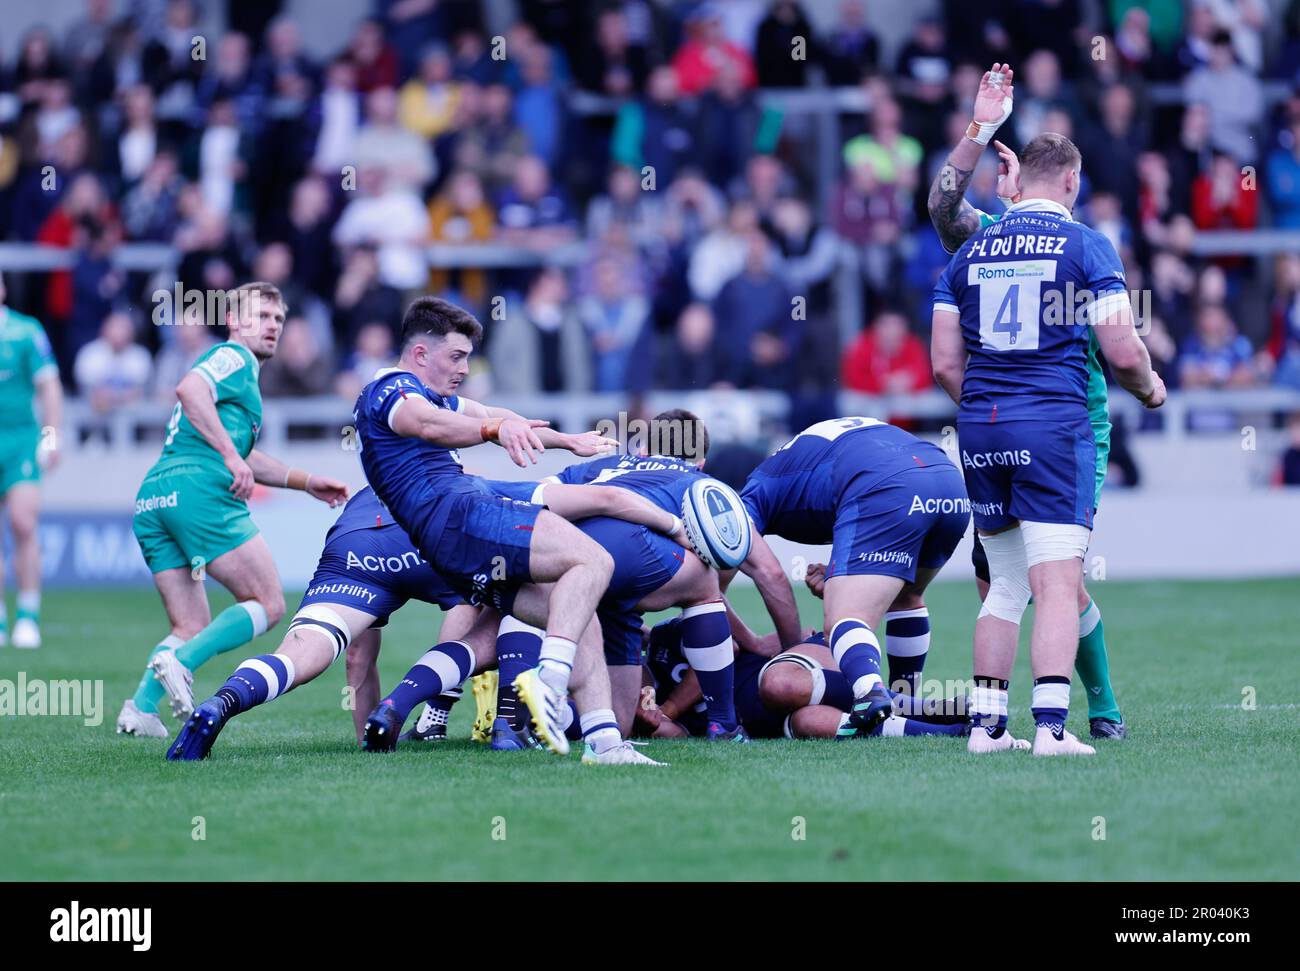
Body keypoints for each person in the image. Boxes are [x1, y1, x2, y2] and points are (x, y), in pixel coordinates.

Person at [350, 296, 677, 764]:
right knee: (593, 560)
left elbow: (498, 418)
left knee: (576, 608)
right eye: (456, 356)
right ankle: (550, 682)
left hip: (451, 538)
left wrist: (566, 440)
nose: (464, 367)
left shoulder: (432, 393)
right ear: (421, 353)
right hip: (459, 514)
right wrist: (489, 431)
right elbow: (427, 424)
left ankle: (605, 743)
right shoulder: (391, 389)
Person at [930, 132, 1166, 758]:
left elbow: (944, 365)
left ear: (1014, 184)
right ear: (1072, 181)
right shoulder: (1084, 244)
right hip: (1057, 422)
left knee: (1008, 583)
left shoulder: (975, 248)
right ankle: (1055, 728)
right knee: (1059, 581)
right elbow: (1122, 350)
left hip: (983, 422)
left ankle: (988, 727)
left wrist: (988, 410)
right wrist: (1151, 389)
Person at [117, 282, 351, 738]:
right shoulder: (234, 358)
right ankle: (181, 663)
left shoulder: (239, 381)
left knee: (190, 623)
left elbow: (248, 454)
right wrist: (227, 456)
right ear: (233, 321)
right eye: (261, 316)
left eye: (278, 319)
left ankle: (142, 707)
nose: (272, 326)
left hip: (156, 497)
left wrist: (304, 481)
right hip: (200, 491)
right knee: (267, 602)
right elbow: (189, 389)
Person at [738, 417, 970, 740]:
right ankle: (910, 701)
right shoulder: (796, 459)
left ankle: (876, 696)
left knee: (844, 619)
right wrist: (838, 575)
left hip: (885, 485)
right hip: (947, 480)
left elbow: (771, 574)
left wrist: (789, 645)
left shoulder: (751, 495)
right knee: (908, 596)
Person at [0, 274, 64, 649]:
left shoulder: (26, 331)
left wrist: (51, 437)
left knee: (23, 522)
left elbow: (50, 387)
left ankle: (28, 613)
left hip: (20, 442)